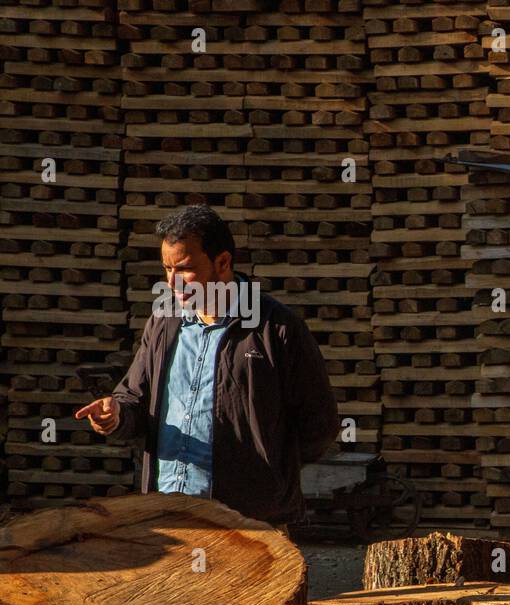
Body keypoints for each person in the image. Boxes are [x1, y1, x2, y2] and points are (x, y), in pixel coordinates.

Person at [75, 204, 338, 526]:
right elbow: (135, 399)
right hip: (169, 514)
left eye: (184, 269)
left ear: (223, 262)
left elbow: (319, 424)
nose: (173, 283)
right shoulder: (164, 322)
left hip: (248, 524)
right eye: (167, 269)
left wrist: (266, 475)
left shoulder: (275, 328)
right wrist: (115, 415)